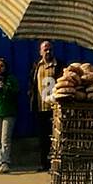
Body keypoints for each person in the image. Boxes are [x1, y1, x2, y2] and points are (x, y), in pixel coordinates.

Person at [29, 40, 64, 171]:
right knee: (42, 139)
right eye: (45, 49)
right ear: (40, 52)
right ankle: (44, 164)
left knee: (56, 138)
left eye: (50, 49)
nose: (48, 52)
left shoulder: (58, 65)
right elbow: (32, 84)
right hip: (40, 108)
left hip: (55, 109)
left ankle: (56, 164)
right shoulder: (37, 66)